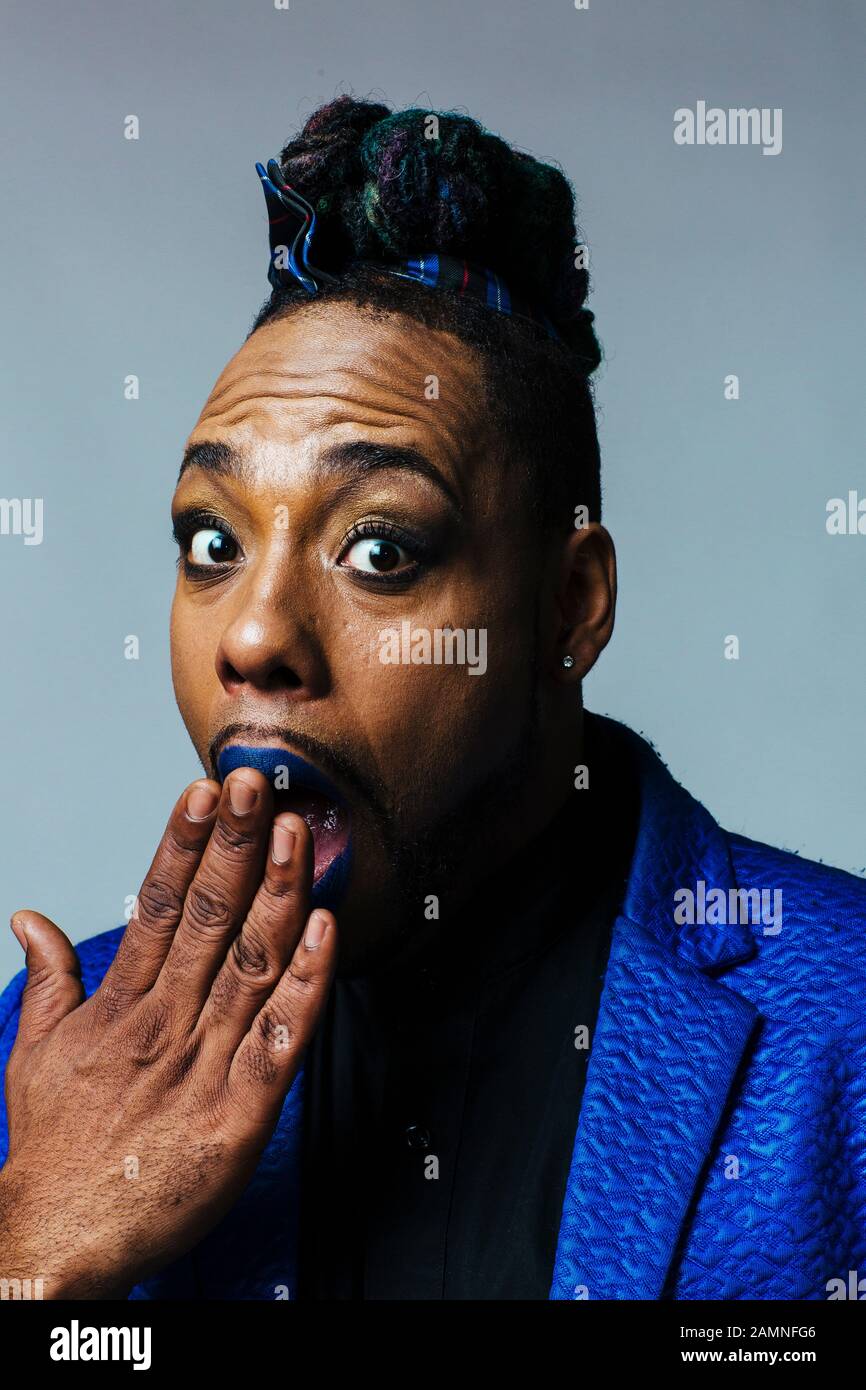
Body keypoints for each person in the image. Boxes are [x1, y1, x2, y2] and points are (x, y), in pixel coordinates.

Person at [1, 96, 864, 1302]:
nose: (252, 635)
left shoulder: (843, 1030)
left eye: (379, 552)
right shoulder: (58, 1055)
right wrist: (33, 1255)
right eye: (212, 540)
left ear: (568, 608)